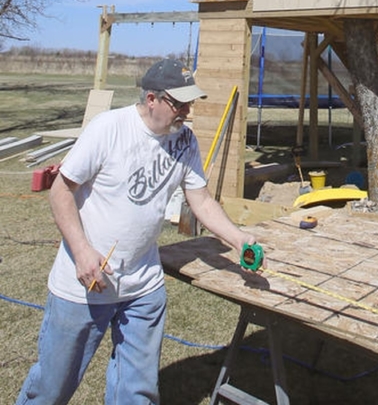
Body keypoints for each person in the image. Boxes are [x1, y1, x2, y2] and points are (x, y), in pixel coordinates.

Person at [15, 58, 256, 405]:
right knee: (52, 388)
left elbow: (201, 201)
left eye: (190, 103)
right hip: (85, 283)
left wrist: (238, 239)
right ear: (152, 99)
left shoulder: (185, 141)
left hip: (143, 287)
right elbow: (61, 191)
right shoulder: (108, 128)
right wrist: (82, 252)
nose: (186, 112)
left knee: (137, 392)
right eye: (179, 103)